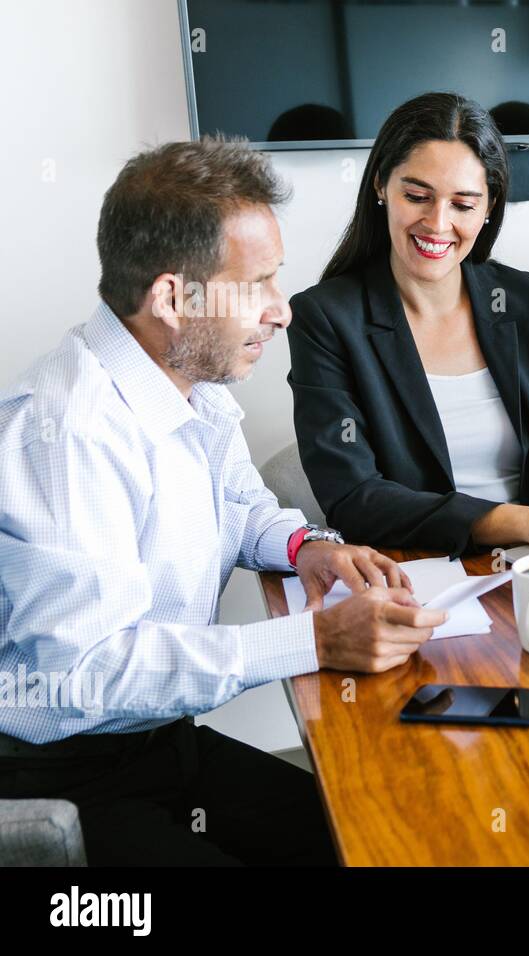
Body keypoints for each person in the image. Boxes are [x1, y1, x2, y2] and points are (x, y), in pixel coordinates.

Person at [0, 138, 448, 865]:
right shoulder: (68, 432)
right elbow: (84, 673)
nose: (283, 312)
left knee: (369, 841)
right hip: (62, 780)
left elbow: (239, 505)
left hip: (158, 745)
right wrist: (316, 641)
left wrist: (309, 547)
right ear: (174, 297)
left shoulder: (187, 379)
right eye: (260, 284)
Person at [287, 92, 529, 558]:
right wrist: (521, 520)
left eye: (463, 205)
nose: (437, 224)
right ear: (380, 186)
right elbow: (353, 498)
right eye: (417, 196)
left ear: (489, 208)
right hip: (421, 568)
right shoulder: (325, 319)